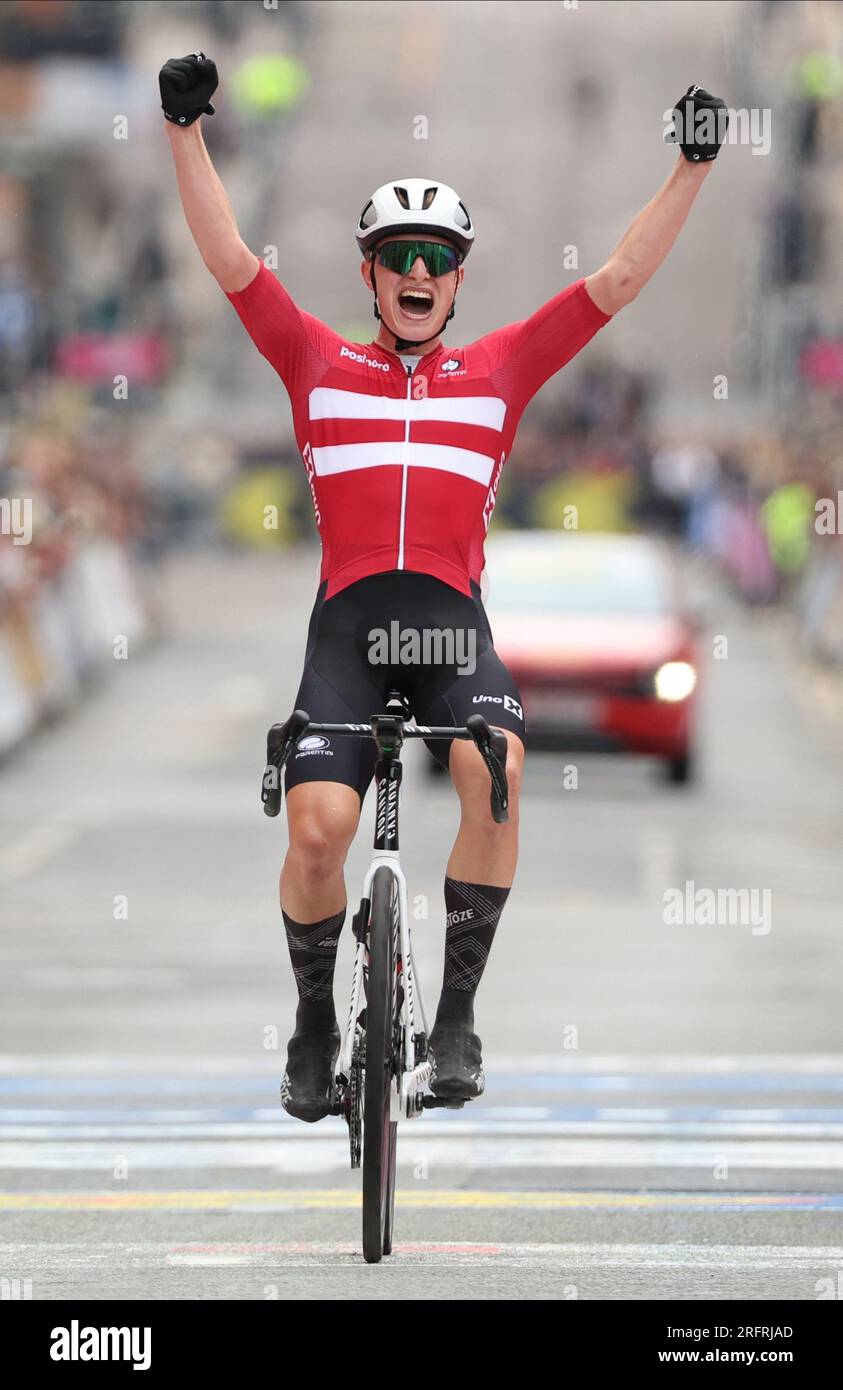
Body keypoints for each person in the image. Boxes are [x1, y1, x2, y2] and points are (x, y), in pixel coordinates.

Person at [161, 55, 727, 1120]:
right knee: (319, 833)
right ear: (370, 274)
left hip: (450, 632)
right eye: (398, 257)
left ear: (459, 280)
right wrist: (185, 128)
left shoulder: (502, 368)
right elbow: (232, 259)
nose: (418, 272)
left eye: (438, 259)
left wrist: (692, 165)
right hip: (348, 631)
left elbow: (613, 282)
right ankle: (315, 1021)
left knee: (498, 763)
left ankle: (457, 1018)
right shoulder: (313, 360)